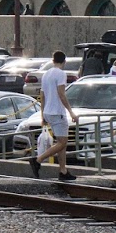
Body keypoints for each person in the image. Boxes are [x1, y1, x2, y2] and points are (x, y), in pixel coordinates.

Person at [31, 50, 78, 182]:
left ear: (53, 61)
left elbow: (42, 95)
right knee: (63, 142)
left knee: (60, 142)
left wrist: (42, 116)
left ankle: (63, 171)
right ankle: (38, 160)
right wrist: (71, 112)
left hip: (48, 111)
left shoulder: (46, 74)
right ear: (64, 61)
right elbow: (61, 94)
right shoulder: (61, 74)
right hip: (58, 112)